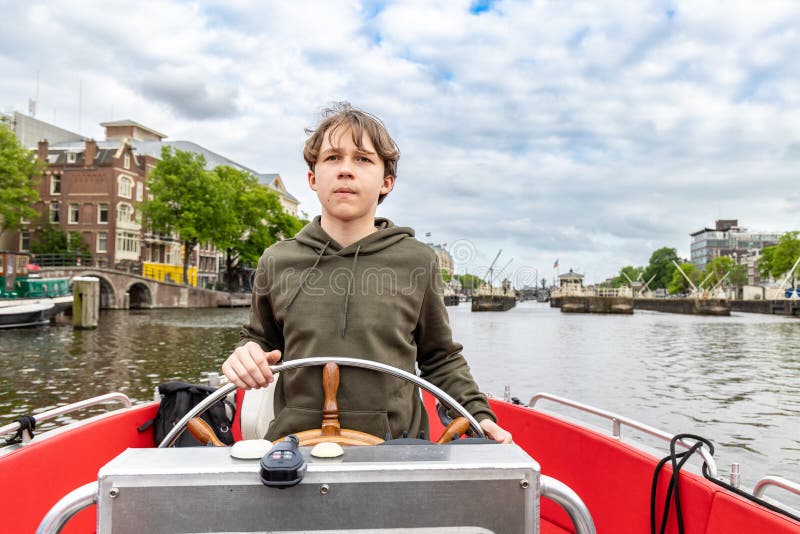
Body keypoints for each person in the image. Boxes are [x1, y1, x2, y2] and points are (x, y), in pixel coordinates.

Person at [222, 102, 512, 443]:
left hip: (396, 447)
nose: (346, 170)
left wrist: (478, 415)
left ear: (386, 182)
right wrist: (245, 354)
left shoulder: (417, 260)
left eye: (362, 158)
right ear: (313, 178)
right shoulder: (277, 260)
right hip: (296, 445)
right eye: (332, 158)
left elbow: (440, 357)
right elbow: (259, 339)